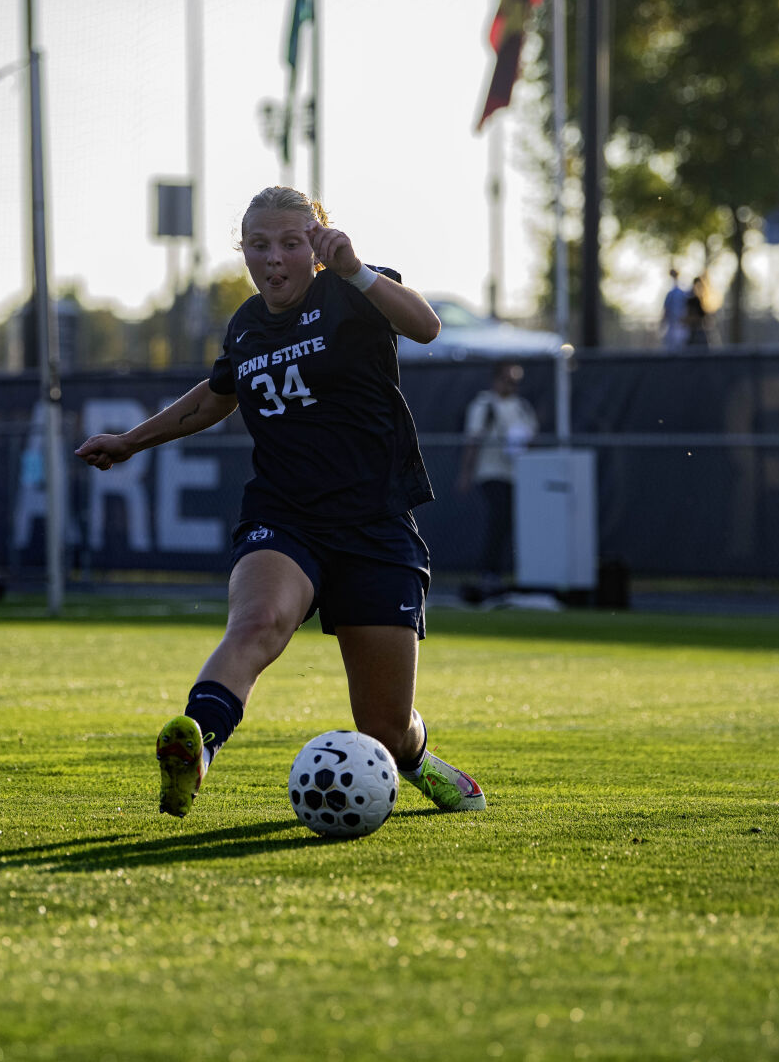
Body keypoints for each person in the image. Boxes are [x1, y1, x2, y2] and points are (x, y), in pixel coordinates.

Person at [75, 186, 486, 818]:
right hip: (284, 516)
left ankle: (415, 757)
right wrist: (131, 442)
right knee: (258, 622)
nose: (274, 259)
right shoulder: (245, 324)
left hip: (375, 525)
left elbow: (426, 326)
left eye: (291, 244)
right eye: (259, 246)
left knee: (383, 728)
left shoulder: (351, 289)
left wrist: (353, 269)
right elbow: (216, 395)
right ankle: (198, 744)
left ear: (316, 248)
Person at [456, 361, 537, 598]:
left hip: (517, 475)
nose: (512, 386)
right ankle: (489, 571)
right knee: (498, 517)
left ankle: (506, 571)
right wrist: (465, 474)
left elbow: (533, 436)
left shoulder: (522, 406)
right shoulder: (484, 405)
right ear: (497, 379)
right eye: (508, 380)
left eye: (516, 382)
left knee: (511, 521)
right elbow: (473, 440)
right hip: (491, 472)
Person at [660, 268, 689, 349]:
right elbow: (666, 309)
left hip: (681, 325)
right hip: (672, 326)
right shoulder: (671, 293)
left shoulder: (682, 291)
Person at [684, 273, 712, 349]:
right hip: (692, 332)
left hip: (699, 331)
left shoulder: (702, 300)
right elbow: (689, 317)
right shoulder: (691, 300)